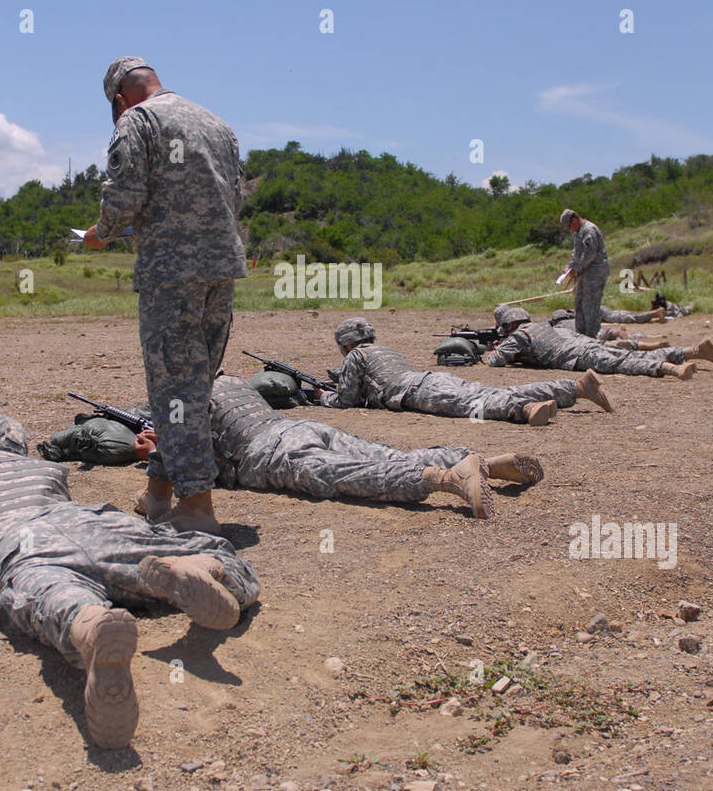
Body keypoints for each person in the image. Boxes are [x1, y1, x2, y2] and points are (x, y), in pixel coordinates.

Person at [0, 414, 260, 749]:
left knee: (51, 589)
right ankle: (203, 566)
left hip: (18, 543)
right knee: (179, 546)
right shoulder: (46, 471)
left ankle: (87, 623)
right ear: (16, 446)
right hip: (89, 522)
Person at [83, 57, 248, 535]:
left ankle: (196, 506)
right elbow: (233, 196)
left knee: (175, 386)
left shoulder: (138, 121)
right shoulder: (217, 123)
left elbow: (123, 194)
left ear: (119, 98)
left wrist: (101, 233)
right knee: (192, 384)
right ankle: (158, 495)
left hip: (171, 273)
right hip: (221, 267)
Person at [135, 377, 546, 521]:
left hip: (268, 455)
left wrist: (152, 460)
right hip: (298, 427)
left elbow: (182, 463)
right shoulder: (229, 381)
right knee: (382, 454)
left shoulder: (178, 393)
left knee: (350, 477)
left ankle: (445, 478)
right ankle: (483, 462)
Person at [313, 317, 612, 424]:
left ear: (346, 343)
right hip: (430, 381)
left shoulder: (355, 357)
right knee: (492, 392)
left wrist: (319, 396)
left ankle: (527, 410)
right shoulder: (385, 350)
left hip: (420, 391)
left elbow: (346, 401)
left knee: (477, 404)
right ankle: (573, 387)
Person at [486, 305, 713, 380]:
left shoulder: (520, 336)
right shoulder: (544, 325)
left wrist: (495, 346)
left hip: (578, 356)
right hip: (586, 345)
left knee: (624, 363)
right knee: (627, 356)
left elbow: (496, 361)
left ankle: (672, 368)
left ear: (507, 325)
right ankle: (692, 351)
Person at [559, 209, 610, 337]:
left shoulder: (589, 230)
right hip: (584, 273)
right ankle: (581, 335)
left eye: (570, 225)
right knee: (580, 303)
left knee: (591, 306)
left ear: (575, 219)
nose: (570, 229)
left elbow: (589, 253)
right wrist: (569, 267)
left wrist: (577, 268)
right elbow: (576, 253)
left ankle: (592, 336)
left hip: (594, 272)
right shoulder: (578, 233)